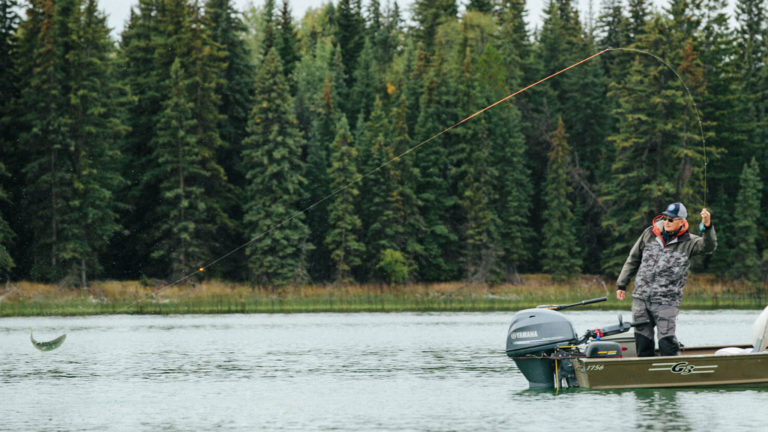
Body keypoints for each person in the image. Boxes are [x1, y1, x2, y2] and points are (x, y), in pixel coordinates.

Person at [615, 202, 717, 357]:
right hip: (641, 299)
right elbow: (633, 259)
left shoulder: (690, 241)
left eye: (671, 220)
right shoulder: (650, 233)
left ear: (681, 222)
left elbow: (709, 246)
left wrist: (708, 226)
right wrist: (621, 284)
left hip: (667, 301)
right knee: (643, 342)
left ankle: (674, 373)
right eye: (665, 218)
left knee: (666, 341)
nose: (667, 222)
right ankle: (647, 375)